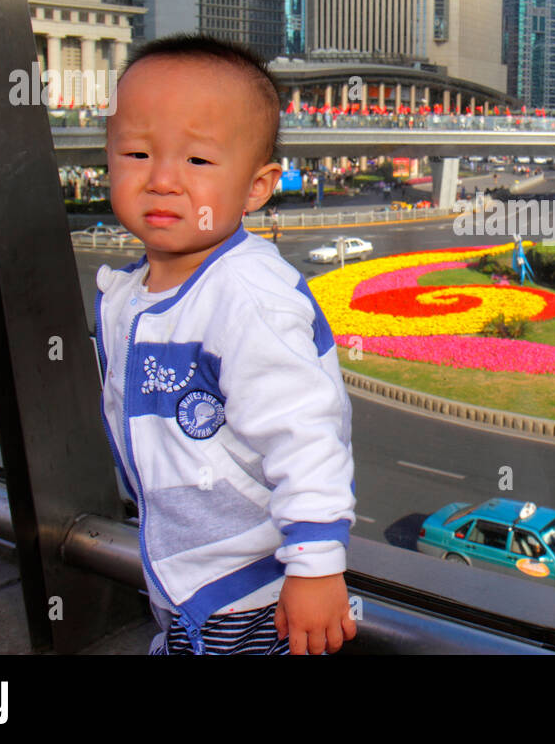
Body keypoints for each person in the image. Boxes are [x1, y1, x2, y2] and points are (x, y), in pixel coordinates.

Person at [97, 34, 356, 657]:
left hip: (249, 586)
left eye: (198, 162)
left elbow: (305, 430)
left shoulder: (245, 292)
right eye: (136, 152)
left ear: (256, 187)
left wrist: (317, 563)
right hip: (186, 570)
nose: (162, 180)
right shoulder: (132, 289)